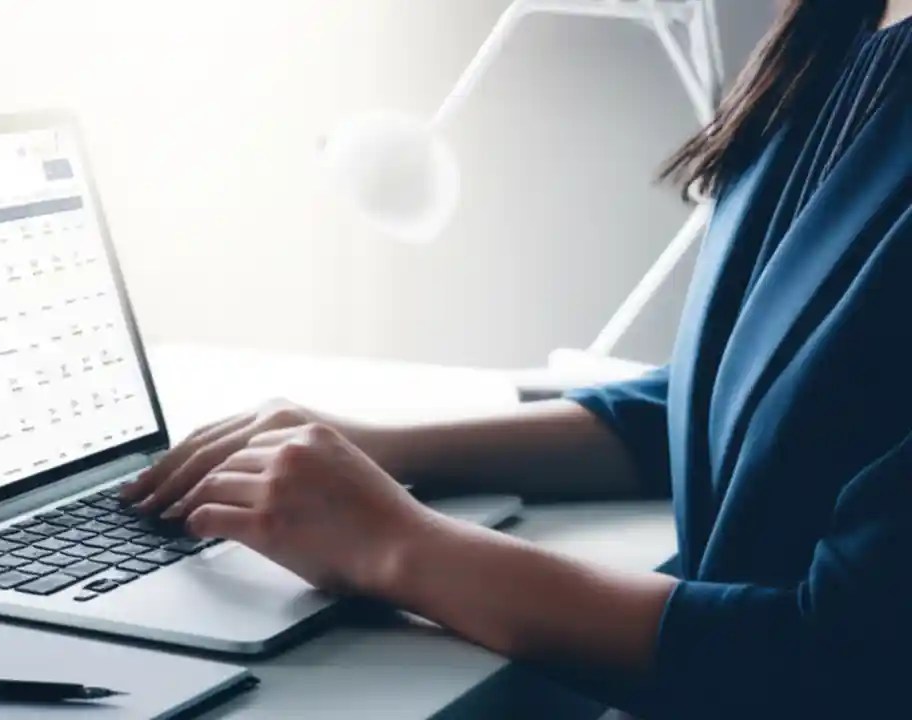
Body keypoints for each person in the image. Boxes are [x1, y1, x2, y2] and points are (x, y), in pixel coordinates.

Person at [122, 1, 912, 716]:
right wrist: (390, 448)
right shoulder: (838, 23)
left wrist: (399, 547)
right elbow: (763, 410)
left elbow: (837, 666)